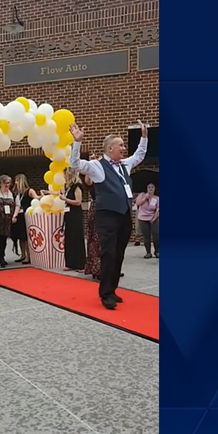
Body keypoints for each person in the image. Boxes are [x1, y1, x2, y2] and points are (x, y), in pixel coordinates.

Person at [69, 120, 148, 310]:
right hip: (107, 216)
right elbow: (75, 163)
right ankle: (105, 294)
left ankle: (112, 290)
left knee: (119, 254)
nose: (123, 148)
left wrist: (144, 137)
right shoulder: (97, 166)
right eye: (120, 145)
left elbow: (139, 155)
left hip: (124, 215)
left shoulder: (124, 165)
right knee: (109, 254)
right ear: (110, 148)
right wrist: (77, 142)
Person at [11, 174, 38, 264]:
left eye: (17, 180)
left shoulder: (29, 191)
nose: (15, 182)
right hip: (19, 216)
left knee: (26, 237)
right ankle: (22, 255)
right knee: (20, 237)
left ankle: (28, 256)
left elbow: (36, 198)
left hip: (27, 215)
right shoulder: (17, 193)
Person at [62, 168, 85, 271]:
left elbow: (78, 201)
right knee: (69, 238)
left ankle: (80, 264)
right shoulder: (68, 187)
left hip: (75, 214)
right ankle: (70, 262)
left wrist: (65, 199)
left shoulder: (77, 187)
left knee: (76, 238)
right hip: (69, 214)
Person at [0, 175, 15, 267]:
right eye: (6, 183)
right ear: (1, 183)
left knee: (4, 239)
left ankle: (2, 255)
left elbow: (15, 205)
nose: (8, 185)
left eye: (9, 183)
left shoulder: (11, 194)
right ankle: (1, 256)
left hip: (7, 221)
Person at [82, 172, 101, 279]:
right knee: (95, 241)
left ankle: (109, 268)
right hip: (97, 210)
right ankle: (96, 268)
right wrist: (91, 167)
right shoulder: (93, 182)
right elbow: (87, 181)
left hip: (108, 209)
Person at [135, 182, 159, 258]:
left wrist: (154, 219)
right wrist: (146, 198)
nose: (150, 188)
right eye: (149, 187)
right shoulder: (142, 195)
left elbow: (158, 210)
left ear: (154, 189)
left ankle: (157, 251)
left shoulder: (157, 198)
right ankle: (148, 252)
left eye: (152, 187)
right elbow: (138, 203)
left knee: (156, 235)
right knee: (146, 236)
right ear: (147, 189)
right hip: (143, 218)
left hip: (154, 217)